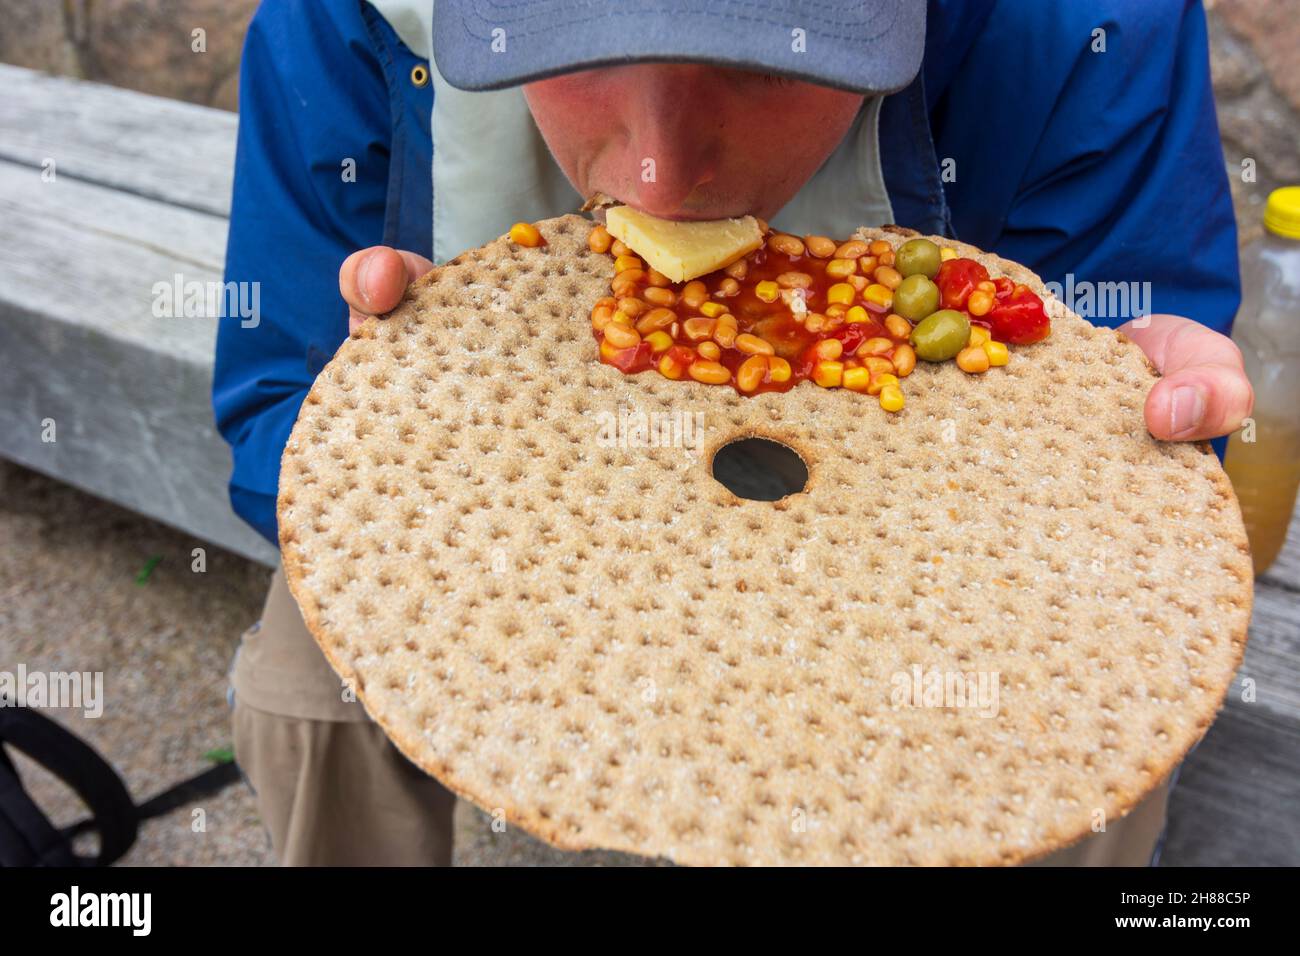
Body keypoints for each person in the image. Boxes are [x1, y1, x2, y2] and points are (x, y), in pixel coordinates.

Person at [214, 0, 1253, 866]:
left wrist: (1141, 416)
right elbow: (275, 403)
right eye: (584, 58)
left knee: (1079, 744)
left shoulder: (1085, 26)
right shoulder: (341, 19)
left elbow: (1131, 427)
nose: (661, 177)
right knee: (311, 693)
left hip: (923, 518)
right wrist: (392, 423)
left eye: (758, 69)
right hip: (508, 506)